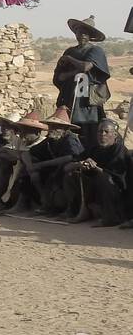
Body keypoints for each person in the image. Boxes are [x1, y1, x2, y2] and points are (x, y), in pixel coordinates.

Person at [53, 16, 111, 148]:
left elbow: (86, 67)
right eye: (79, 31)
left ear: (91, 35)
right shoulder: (70, 50)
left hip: (87, 101)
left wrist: (69, 59)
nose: (82, 35)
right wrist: (72, 72)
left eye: (86, 32)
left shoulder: (95, 51)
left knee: (89, 131)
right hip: (69, 96)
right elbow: (59, 77)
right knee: (66, 130)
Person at [15, 107, 84, 216]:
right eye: (51, 126)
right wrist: (30, 166)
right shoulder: (51, 139)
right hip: (54, 172)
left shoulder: (70, 139)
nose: (51, 129)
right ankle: (44, 203)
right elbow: (28, 152)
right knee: (32, 174)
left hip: (71, 172)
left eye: (56, 127)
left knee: (68, 177)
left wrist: (41, 165)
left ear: (64, 129)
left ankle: (70, 209)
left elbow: (70, 157)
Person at [60, 118, 129, 226]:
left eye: (106, 132)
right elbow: (66, 167)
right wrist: (80, 164)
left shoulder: (119, 150)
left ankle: (111, 218)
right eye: (100, 131)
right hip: (95, 188)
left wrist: (94, 167)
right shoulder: (93, 149)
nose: (102, 134)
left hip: (116, 191)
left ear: (115, 135)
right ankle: (77, 211)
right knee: (71, 175)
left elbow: (116, 177)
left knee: (103, 178)